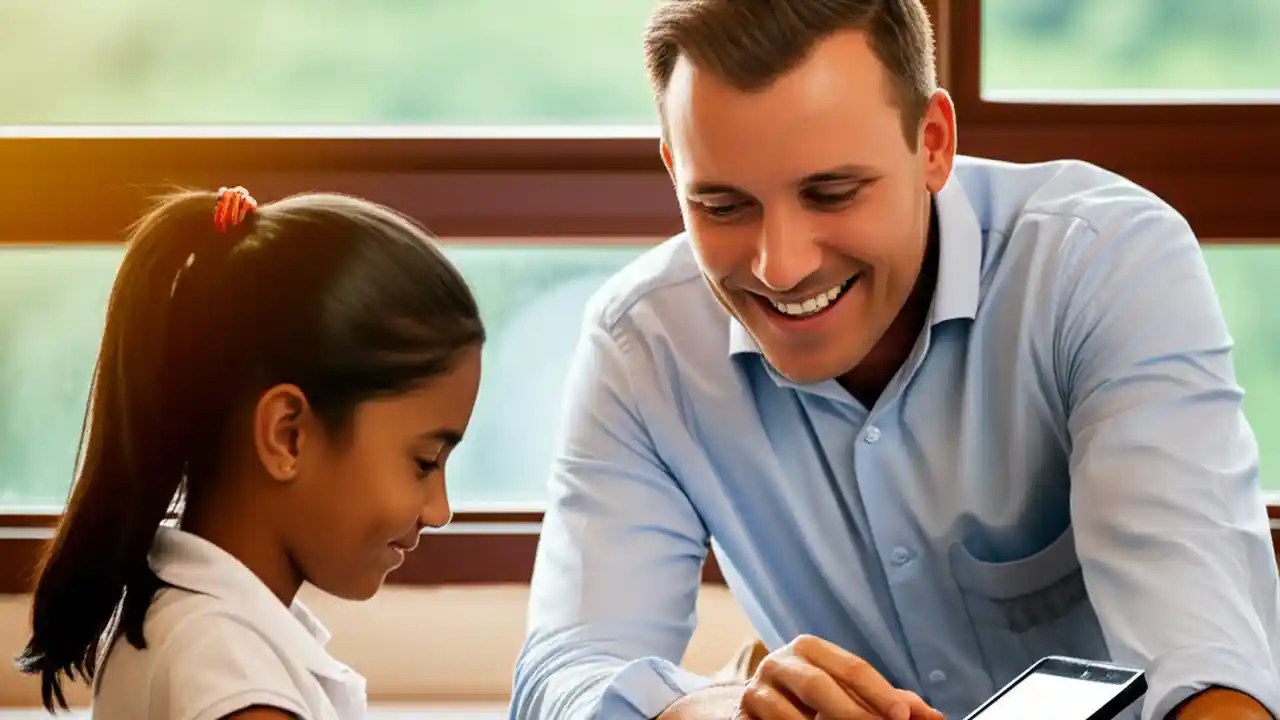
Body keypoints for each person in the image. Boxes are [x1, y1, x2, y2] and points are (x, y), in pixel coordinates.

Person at [509, 1, 1280, 719]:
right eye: (722, 206)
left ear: (933, 144)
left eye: (833, 193)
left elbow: (1207, 658)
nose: (781, 267)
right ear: (674, 171)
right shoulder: (643, 342)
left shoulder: (1098, 265)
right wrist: (716, 708)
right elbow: (565, 672)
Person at [19, 186, 485, 719]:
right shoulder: (236, 680)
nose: (440, 511)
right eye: (424, 463)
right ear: (288, 435)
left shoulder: (180, 616)